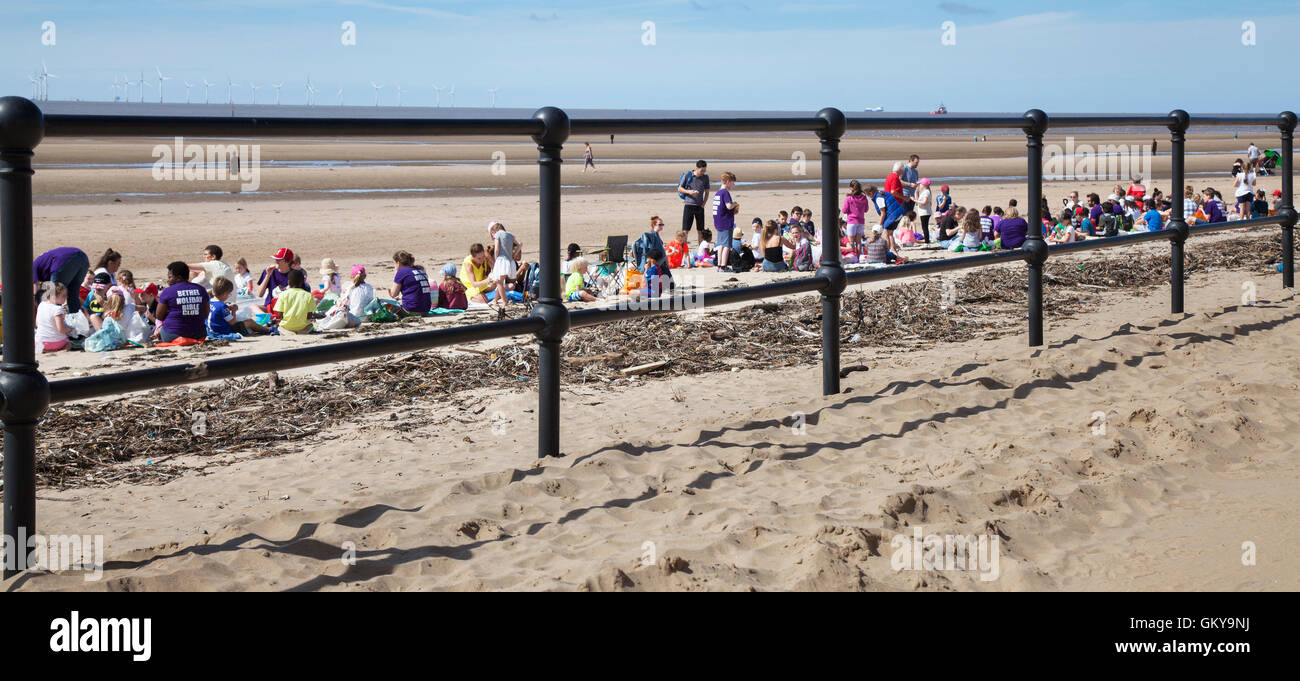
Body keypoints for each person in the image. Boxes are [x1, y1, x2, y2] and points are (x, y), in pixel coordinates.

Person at [156, 261, 210, 342]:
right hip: (199, 334)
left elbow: (159, 316)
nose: (168, 280)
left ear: (178, 277)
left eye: (170, 277)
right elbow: (206, 314)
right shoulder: (201, 289)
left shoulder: (168, 291)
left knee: (161, 329)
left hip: (174, 335)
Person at [34, 247, 90, 313]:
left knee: (54, 295)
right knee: (73, 294)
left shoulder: (31, 267)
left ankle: (54, 321)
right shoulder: (40, 265)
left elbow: (34, 292)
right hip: (82, 257)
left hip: (63, 260)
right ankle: (76, 319)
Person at [255, 247, 310, 313]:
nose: (276, 261)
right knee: (254, 307)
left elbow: (301, 298)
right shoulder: (268, 271)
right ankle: (269, 321)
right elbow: (260, 294)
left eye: (279, 259)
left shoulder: (295, 275)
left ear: (288, 261)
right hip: (271, 308)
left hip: (288, 309)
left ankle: (272, 320)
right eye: (276, 259)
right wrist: (268, 275)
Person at [274, 269, 317, 334]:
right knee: (310, 325)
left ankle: (288, 332)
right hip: (302, 326)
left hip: (287, 326)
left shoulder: (283, 294)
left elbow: (279, 315)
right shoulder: (308, 295)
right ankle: (301, 331)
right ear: (302, 282)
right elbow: (309, 316)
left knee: (280, 327)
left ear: (288, 282)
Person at [35, 282, 75, 353]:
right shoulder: (57, 309)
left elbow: (37, 324)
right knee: (68, 343)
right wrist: (69, 329)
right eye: (63, 296)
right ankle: (62, 350)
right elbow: (61, 330)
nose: (66, 297)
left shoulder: (41, 305)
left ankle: (46, 350)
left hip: (40, 342)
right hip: (56, 342)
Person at [389, 249, 432, 314]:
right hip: (426, 309)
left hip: (411, 309)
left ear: (398, 263)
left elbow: (393, 294)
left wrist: (396, 274)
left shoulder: (401, 272)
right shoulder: (420, 269)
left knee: (385, 306)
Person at [712, 171, 739, 271]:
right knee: (727, 245)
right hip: (725, 222)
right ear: (728, 182)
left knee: (720, 245)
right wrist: (734, 204)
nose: (734, 184)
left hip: (718, 222)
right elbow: (728, 206)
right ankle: (723, 266)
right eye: (733, 182)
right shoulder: (725, 192)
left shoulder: (718, 193)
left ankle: (719, 265)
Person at [678, 160, 710, 246]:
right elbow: (679, 188)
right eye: (701, 170)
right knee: (685, 230)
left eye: (704, 170)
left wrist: (703, 204)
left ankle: (701, 249)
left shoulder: (705, 177)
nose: (703, 172)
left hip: (700, 207)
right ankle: (683, 249)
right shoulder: (688, 175)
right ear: (697, 168)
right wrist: (689, 192)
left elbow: (707, 192)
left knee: (700, 230)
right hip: (689, 205)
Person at [487, 221, 517, 307]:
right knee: (501, 281)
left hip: (501, 260)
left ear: (494, 230)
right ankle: (495, 300)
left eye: (492, 233)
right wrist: (514, 254)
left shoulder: (497, 235)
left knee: (499, 282)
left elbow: (496, 249)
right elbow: (520, 244)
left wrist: (496, 260)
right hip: (510, 261)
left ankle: (504, 301)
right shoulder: (510, 235)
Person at [842, 180, 872, 257]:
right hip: (860, 221)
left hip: (852, 221)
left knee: (851, 242)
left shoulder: (849, 198)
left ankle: (853, 257)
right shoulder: (864, 197)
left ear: (851, 188)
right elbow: (866, 209)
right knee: (859, 241)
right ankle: (858, 257)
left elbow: (844, 210)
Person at [914, 178, 933, 244]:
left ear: (924, 185)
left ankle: (927, 243)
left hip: (925, 212)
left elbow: (924, 202)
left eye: (920, 184)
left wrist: (914, 200)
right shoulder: (924, 192)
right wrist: (916, 193)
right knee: (924, 227)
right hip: (923, 212)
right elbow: (918, 202)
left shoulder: (926, 192)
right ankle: (927, 242)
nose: (919, 186)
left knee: (925, 228)